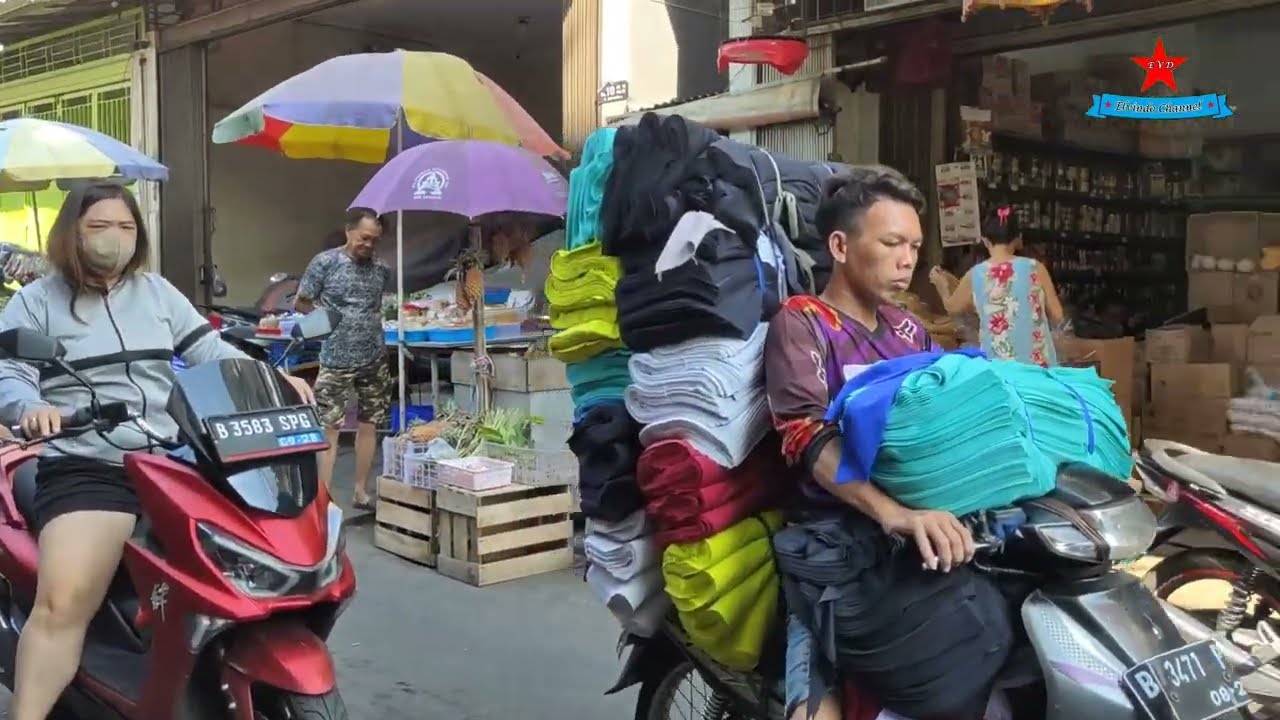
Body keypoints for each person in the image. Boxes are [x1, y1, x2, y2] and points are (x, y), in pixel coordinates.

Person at [0, 181, 314, 720]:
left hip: (171, 455)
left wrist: (274, 377)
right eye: (99, 227)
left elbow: (210, 349)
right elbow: (9, 369)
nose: (113, 239)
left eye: (125, 227)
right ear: (72, 232)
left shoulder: (156, 293)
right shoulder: (37, 301)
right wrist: (30, 406)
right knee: (65, 603)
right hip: (87, 461)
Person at [763, 167, 977, 720]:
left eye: (913, 246)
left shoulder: (910, 332)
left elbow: (948, 414)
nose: (907, 260)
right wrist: (892, 513)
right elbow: (805, 435)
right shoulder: (803, 322)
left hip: (913, 532)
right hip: (831, 542)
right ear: (840, 245)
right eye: (890, 243)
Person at [295, 207, 392, 509]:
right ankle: (323, 499)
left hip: (374, 356)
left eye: (375, 240)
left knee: (369, 422)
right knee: (330, 426)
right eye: (364, 238)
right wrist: (326, 322)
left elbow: (374, 307)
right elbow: (302, 302)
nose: (369, 245)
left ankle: (361, 491)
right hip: (336, 357)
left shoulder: (381, 269)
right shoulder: (325, 263)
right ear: (349, 232)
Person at [928, 206, 1065, 367]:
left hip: (998, 369)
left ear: (985, 240)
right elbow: (1057, 315)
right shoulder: (1036, 268)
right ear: (1018, 239)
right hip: (1039, 368)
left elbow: (953, 308)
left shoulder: (976, 274)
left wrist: (942, 285)